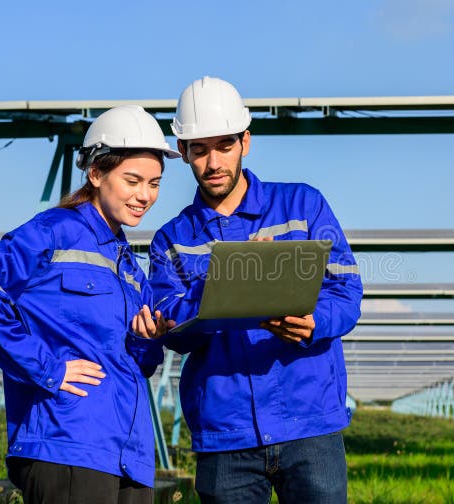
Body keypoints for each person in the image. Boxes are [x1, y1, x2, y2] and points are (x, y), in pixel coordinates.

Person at [0, 105, 179, 504]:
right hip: (67, 443)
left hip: (128, 453)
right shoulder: (54, 231)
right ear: (96, 173)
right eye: (133, 180)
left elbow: (140, 363)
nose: (145, 195)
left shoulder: (129, 265)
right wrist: (48, 367)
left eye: (155, 183)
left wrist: (146, 339)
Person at [148, 77, 363, 503]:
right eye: (199, 149)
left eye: (224, 145)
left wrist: (314, 323)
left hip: (310, 425)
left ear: (246, 141)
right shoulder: (171, 239)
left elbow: (346, 292)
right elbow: (172, 329)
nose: (213, 162)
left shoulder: (304, 206)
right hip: (226, 436)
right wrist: (225, 282)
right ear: (185, 153)